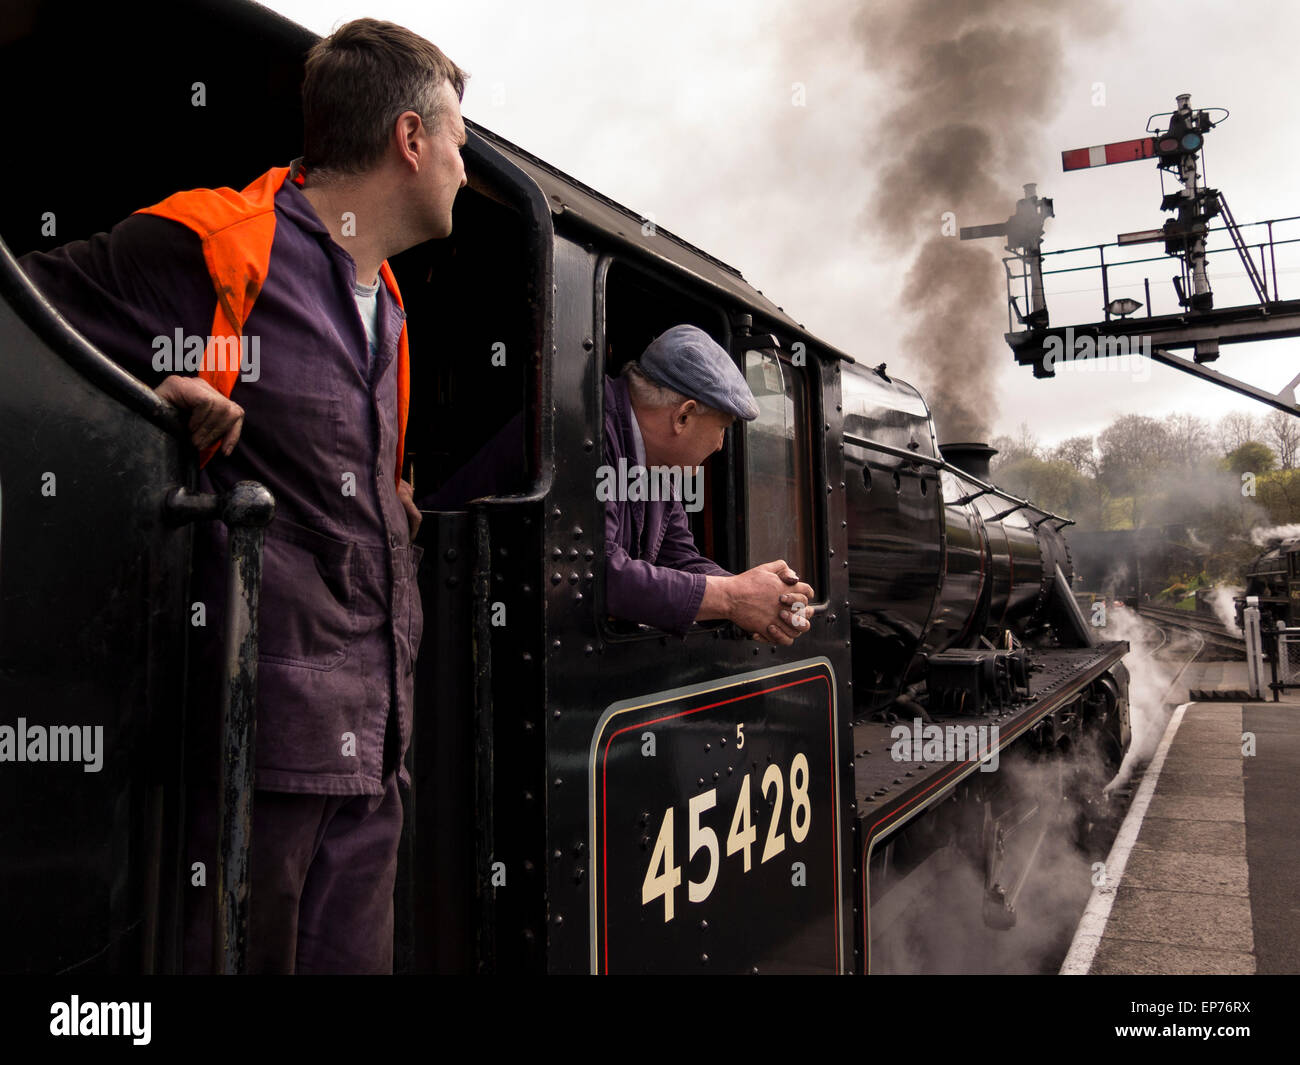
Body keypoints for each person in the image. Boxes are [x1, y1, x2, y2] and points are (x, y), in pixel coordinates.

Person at [19, 19, 469, 973]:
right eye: (460, 145)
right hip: (253, 748)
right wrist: (139, 399)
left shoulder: (388, 303)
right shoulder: (218, 241)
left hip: (375, 744)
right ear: (411, 138)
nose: (465, 172)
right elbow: (23, 327)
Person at [604, 325, 816, 644]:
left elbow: (679, 558)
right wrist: (732, 599)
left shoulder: (659, 469)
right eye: (722, 428)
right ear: (684, 416)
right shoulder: (586, 430)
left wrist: (764, 601)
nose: (720, 445)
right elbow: (595, 572)